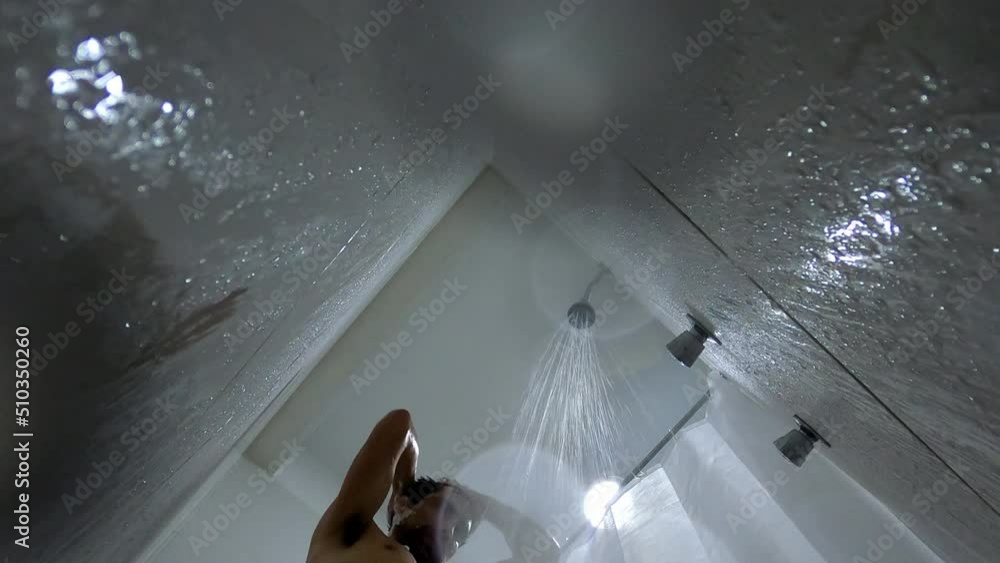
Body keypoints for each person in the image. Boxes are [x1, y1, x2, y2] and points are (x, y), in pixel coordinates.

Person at [306, 409, 560, 563]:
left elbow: (546, 554)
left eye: (460, 534)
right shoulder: (351, 531)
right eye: (446, 511)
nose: (449, 532)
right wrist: (402, 488)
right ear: (404, 503)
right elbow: (399, 425)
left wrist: (485, 506)